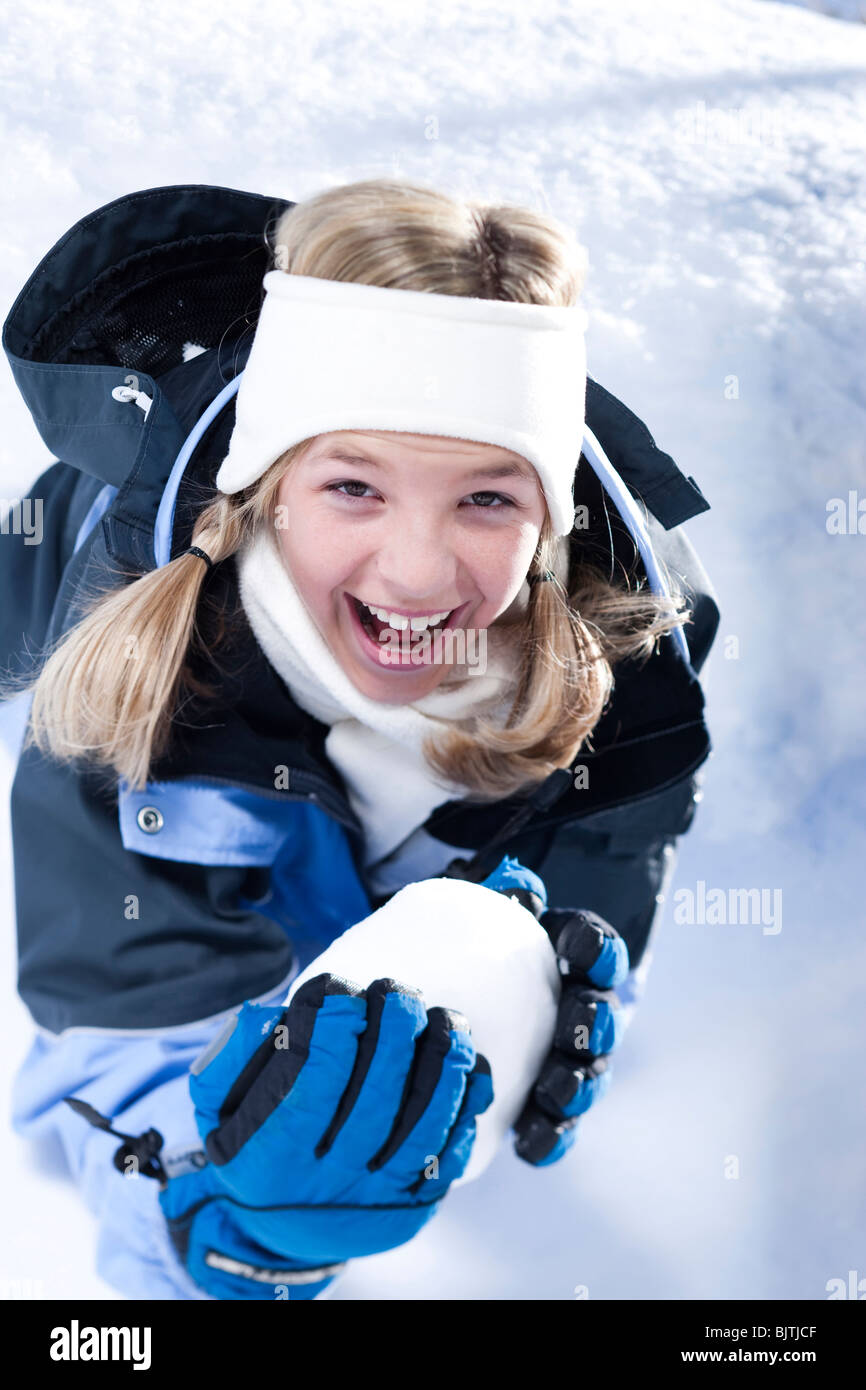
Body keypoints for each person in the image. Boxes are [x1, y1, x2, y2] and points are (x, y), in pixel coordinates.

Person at [0, 178, 720, 1300]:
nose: (419, 572)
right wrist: (223, 1223)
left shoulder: (627, 693)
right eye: (352, 487)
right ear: (262, 488)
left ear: (550, 513)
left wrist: (512, 1002)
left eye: (486, 499)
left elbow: (588, 922)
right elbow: (112, 1026)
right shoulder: (134, 648)